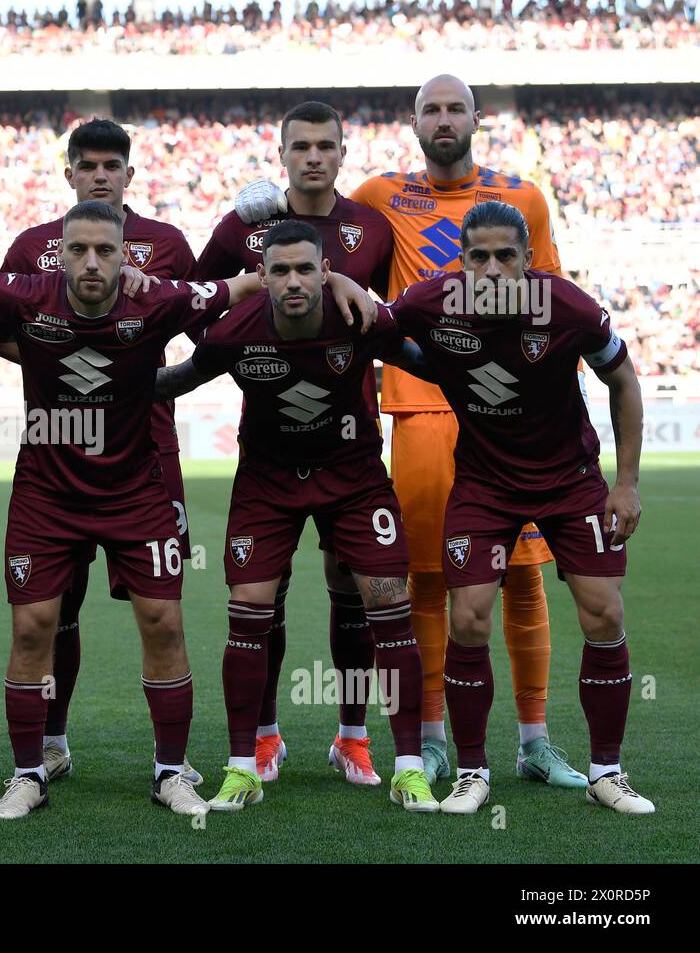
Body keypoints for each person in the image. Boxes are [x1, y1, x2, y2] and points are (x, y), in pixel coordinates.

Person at [0, 199, 379, 819]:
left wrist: (338, 277)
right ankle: (28, 774)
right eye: (78, 249)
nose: (91, 261)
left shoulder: (158, 301)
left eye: (105, 250)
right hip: (46, 494)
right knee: (32, 628)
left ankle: (170, 772)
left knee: (163, 622)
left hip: (136, 491)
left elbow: (247, 282)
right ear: (61, 254)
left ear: (125, 254)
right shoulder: (25, 295)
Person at [236, 74, 581, 790]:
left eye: (457, 108)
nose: (445, 119)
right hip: (421, 405)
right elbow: (314, 227)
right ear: (414, 121)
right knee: (419, 577)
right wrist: (253, 208)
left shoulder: (525, 198)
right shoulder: (381, 198)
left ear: (477, 119)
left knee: (521, 574)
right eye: (433, 109)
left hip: (515, 416)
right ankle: (425, 739)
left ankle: (535, 740)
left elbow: (552, 305)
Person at [158, 220, 438, 813]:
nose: (292, 280)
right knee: (250, 608)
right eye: (279, 270)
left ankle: (407, 767)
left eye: (305, 269)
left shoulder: (360, 318)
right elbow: (177, 379)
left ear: (325, 272)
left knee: (388, 603)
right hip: (268, 481)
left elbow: (428, 359)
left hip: (354, 478)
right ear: (262, 275)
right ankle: (243, 767)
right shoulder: (235, 329)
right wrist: (91, 379)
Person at [387, 200, 653, 814]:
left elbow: (624, 380)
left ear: (528, 261)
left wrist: (627, 482)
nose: (492, 268)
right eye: (477, 256)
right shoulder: (431, 303)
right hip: (485, 484)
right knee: (470, 619)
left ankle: (606, 773)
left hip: (572, 480)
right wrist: (418, 358)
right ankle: (473, 773)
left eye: (506, 256)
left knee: (604, 615)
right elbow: (377, 329)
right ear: (461, 261)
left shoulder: (569, 307)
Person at [194, 100, 395, 786]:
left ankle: (352, 736)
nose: (313, 156)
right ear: (281, 155)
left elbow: (392, 320)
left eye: (326, 145)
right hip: (270, 447)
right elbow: (197, 307)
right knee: (261, 594)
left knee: (355, 585)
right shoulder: (245, 227)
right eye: (300, 146)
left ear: (344, 152)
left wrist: (344, 282)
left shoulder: (371, 228)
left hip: (350, 443)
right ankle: (265, 737)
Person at [0, 117, 200, 785]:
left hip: (147, 450)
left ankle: (170, 763)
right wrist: (50, 355)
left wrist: (144, 379)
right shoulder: (35, 247)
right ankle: (51, 742)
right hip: (57, 452)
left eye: (112, 164)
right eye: (88, 165)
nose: (101, 174)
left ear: (130, 173)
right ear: (70, 175)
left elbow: (205, 322)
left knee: (160, 609)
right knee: (55, 610)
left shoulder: (167, 244)